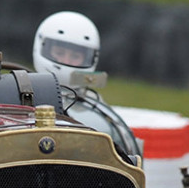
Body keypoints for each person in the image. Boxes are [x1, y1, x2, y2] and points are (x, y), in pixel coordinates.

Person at [31, 10, 139, 157]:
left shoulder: (94, 104)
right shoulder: (24, 90)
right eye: (60, 53)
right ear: (41, 45)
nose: (67, 61)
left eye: (75, 56)